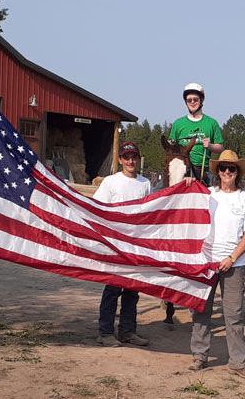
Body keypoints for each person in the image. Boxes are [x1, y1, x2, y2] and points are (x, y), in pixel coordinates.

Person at [188, 150, 245, 380]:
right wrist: (188, 184)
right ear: (217, 171)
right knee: (201, 311)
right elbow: (185, 209)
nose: (227, 172)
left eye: (231, 168)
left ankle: (237, 362)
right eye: (223, 168)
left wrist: (231, 258)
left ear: (237, 172)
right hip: (206, 263)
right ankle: (200, 355)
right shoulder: (207, 195)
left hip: (233, 265)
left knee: (233, 315)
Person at [94, 141, 152, 347]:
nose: (130, 161)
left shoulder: (145, 183)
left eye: (134, 157)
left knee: (132, 290)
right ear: (120, 160)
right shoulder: (110, 182)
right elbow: (98, 208)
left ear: (138, 159)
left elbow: (148, 213)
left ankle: (128, 330)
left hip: (135, 244)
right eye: (126, 157)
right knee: (112, 288)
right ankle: (106, 331)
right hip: (116, 243)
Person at [168, 82, 224, 183]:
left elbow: (220, 147)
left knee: (216, 194)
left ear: (201, 100)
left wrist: (210, 146)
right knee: (158, 190)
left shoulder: (212, 123)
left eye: (195, 99)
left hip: (203, 170)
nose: (192, 102)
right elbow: (171, 145)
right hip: (182, 169)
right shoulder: (178, 123)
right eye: (189, 100)